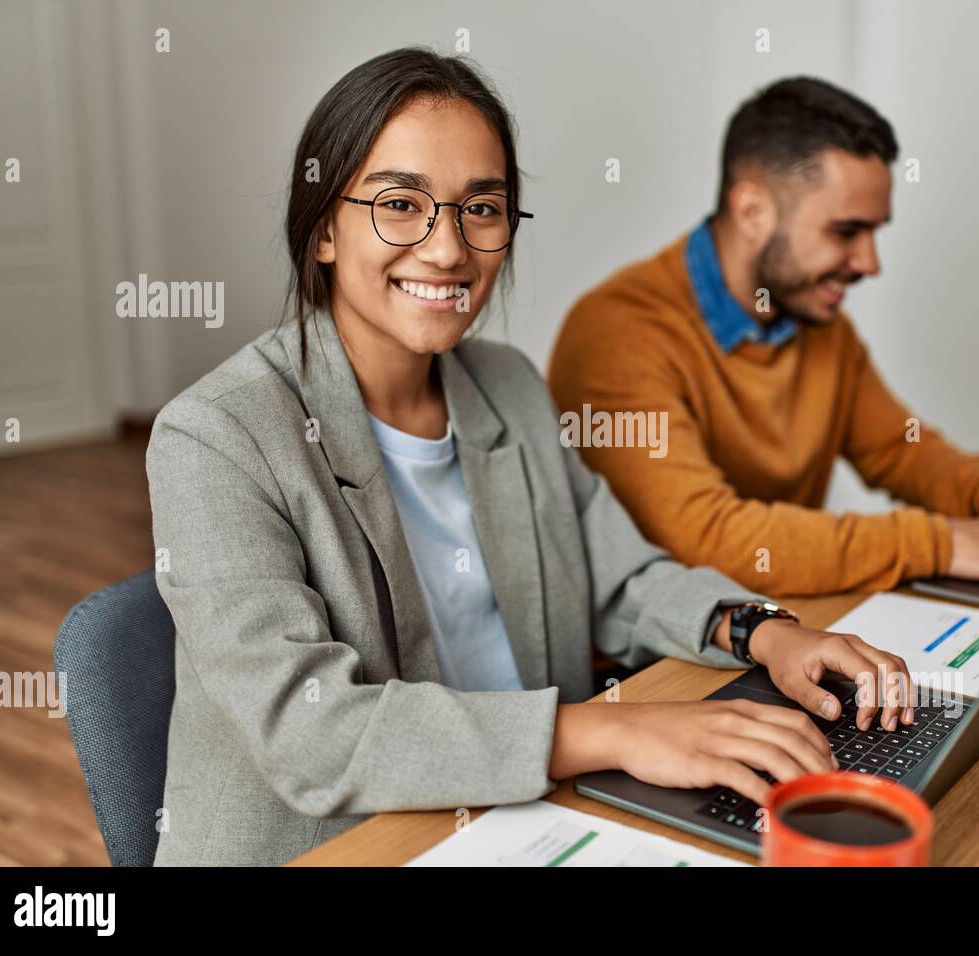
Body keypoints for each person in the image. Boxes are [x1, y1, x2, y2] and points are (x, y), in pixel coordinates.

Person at [146, 49, 916, 866]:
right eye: (401, 204)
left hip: (526, 817)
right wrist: (609, 730)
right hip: (353, 846)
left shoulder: (507, 385)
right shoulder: (215, 438)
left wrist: (762, 631)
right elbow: (309, 731)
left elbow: (620, 576)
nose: (447, 250)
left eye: (482, 208)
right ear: (325, 228)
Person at [548, 77, 979, 597]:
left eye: (874, 232)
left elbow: (897, 447)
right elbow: (705, 539)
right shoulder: (618, 333)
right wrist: (945, 543)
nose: (870, 262)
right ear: (752, 212)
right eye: (847, 232)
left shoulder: (815, 322)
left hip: (783, 622)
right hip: (654, 667)